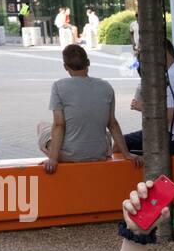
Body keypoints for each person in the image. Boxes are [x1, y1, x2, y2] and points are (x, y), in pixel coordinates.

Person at [39, 44, 140, 173]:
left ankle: (54, 153)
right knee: (102, 132)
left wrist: (52, 159)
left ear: (65, 67)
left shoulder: (58, 87)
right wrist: (127, 154)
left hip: (71, 155)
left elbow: (59, 125)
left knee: (43, 127)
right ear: (88, 63)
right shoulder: (106, 86)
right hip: (100, 154)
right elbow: (112, 123)